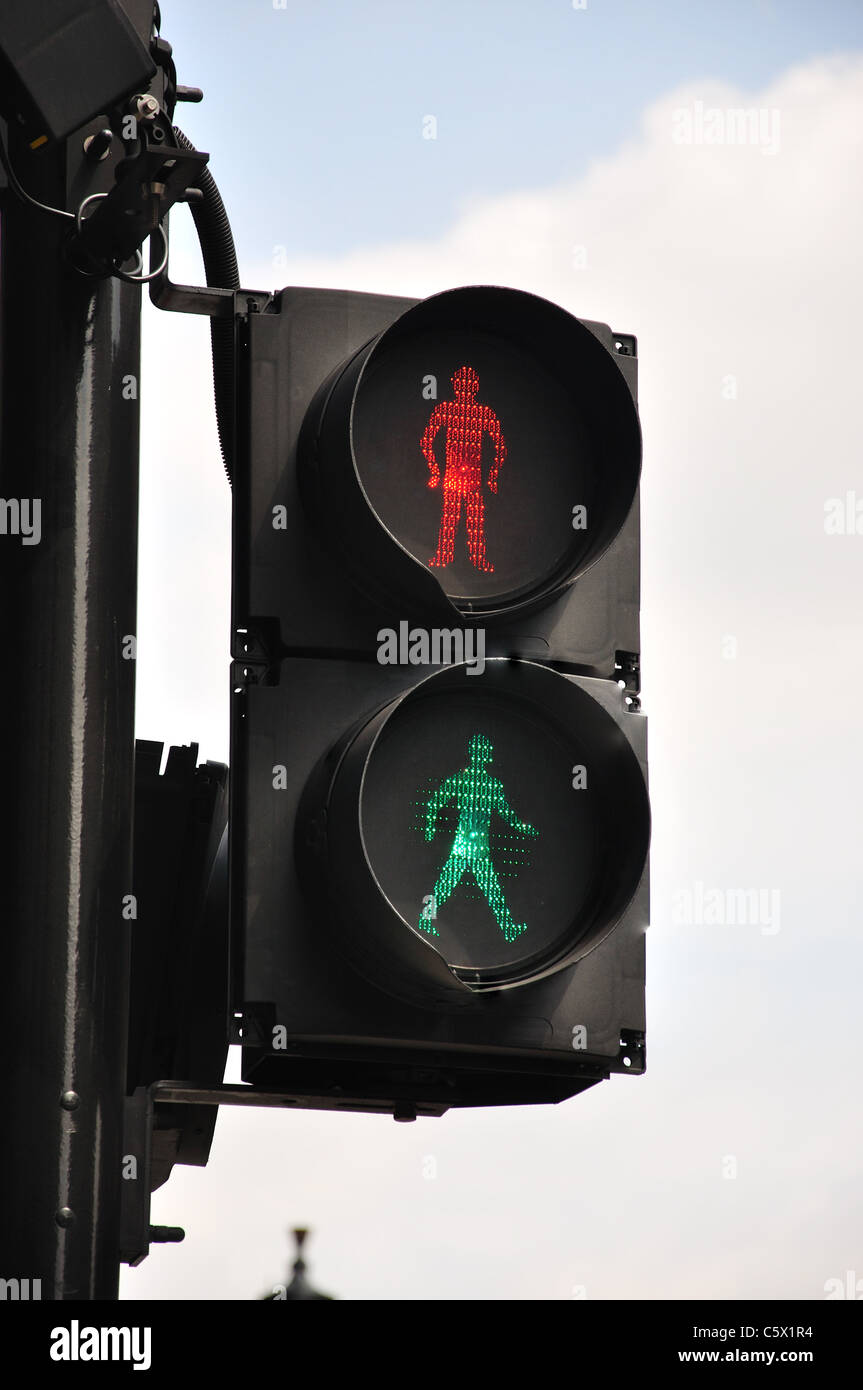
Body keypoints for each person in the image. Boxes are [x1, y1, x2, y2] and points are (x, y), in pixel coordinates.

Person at [419, 734, 537, 942]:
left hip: (475, 849)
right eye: (482, 751)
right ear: (475, 754)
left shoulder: (490, 784)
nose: (484, 755)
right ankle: (508, 928)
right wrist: (429, 827)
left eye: (486, 752)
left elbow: (508, 816)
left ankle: (508, 928)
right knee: (451, 886)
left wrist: (525, 829)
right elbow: (435, 802)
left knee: (483, 889)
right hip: (465, 847)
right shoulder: (466, 779)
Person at [421, 365, 507, 573]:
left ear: (475, 387)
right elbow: (427, 441)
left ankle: (477, 559)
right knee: (450, 519)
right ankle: (444, 555)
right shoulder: (446, 409)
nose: (466, 388)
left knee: (475, 521)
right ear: (455, 385)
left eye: (470, 384)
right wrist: (434, 471)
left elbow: (500, 446)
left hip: (473, 479)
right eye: (462, 384)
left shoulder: (484, 413)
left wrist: (493, 475)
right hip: (452, 477)